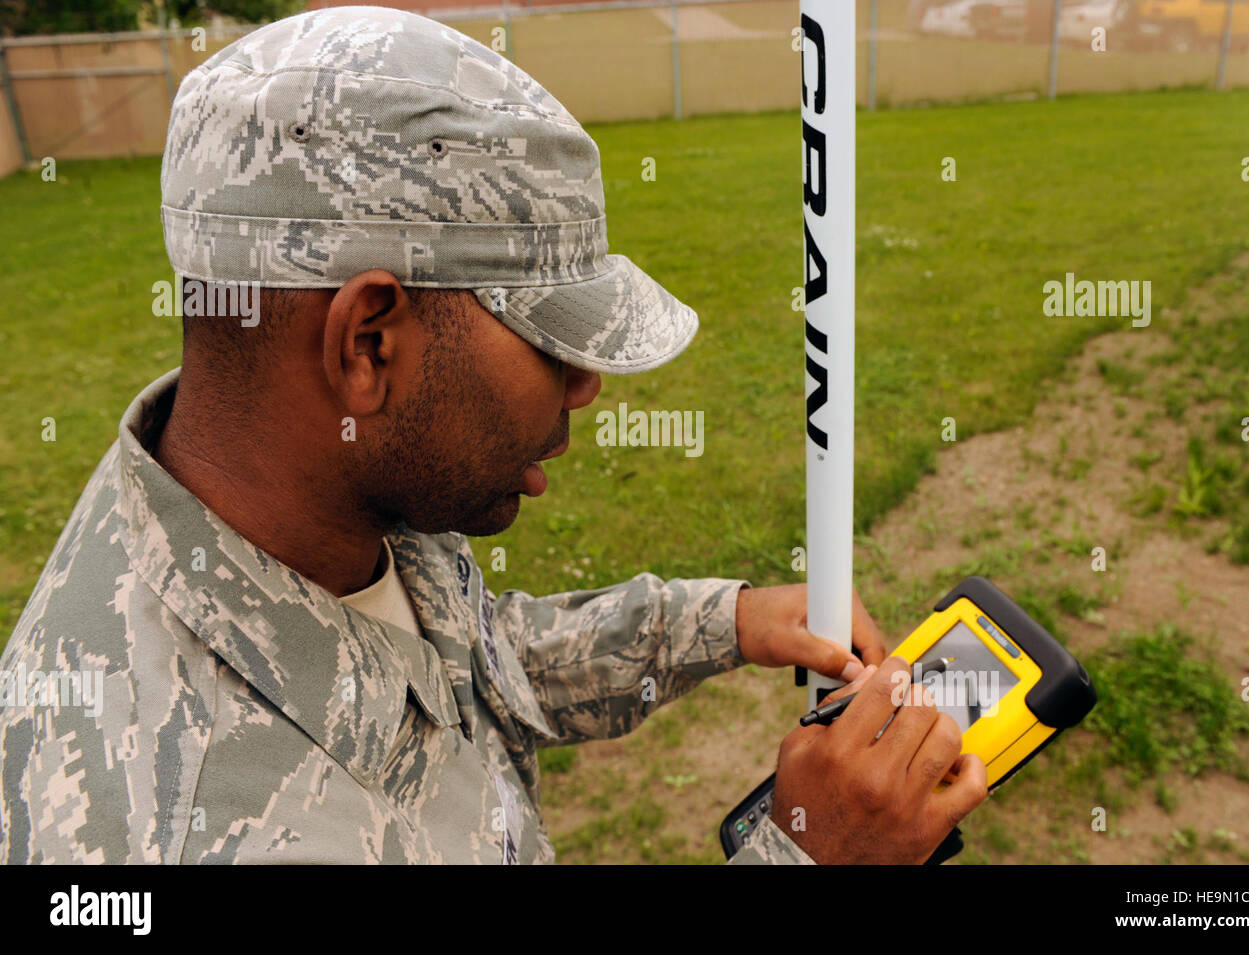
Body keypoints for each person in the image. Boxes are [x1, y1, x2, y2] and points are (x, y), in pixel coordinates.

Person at [0, 7, 985, 864]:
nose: (588, 383)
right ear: (368, 343)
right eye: (549, 337)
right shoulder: (170, 825)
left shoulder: (326, 503)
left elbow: (463, 664)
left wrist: (716, 622)